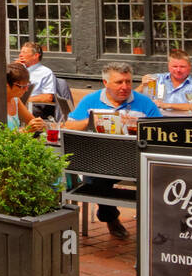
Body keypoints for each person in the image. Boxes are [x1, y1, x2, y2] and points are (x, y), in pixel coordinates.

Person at [64, 61, 161, 239]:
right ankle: (111, 218)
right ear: (105, 83)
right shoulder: (91, 100)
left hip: (135, 162)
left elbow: (161, 132)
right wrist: (90, 121)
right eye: (119, 82)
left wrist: (138, 127)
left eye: (128, 82)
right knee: (93, 179)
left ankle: (152, 225)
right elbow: (68, 126)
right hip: (100, 162)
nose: (125, 87)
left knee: (156, 178)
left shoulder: (144, 103)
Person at [143, 49, 192, 115]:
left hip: (182, 122)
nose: (178, 70)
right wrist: (142, 86)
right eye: (175, 66)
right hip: (156, 120)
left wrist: (167, 105)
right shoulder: (157, 79)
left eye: (182, 67)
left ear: (189, 67)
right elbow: (133, 96)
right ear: (169, 67)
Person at [4, 62, 46, 133]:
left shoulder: (15, 100)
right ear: (7, 85)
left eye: (27, 85)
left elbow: (31, 120)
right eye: (22, 87)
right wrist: (26, 130)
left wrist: (40, 124)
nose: (26, 90)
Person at [18, 41, 57, 105]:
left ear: (35, 56)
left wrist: (22, 101)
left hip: (33, 106)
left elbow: (48, 97)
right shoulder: (18, 69)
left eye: (24, 52)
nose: (20, 55)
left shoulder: (46, 72)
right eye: (21, 52)